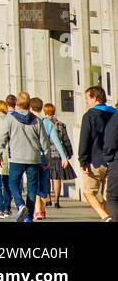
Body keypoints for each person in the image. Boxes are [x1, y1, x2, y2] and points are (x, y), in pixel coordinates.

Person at [5, 91, 50, 222]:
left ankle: (20, 205)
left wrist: (0, 154)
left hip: (16, 157)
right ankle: (28, 217)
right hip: (33, 158)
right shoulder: (37, 120)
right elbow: (44, 142)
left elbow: (2, 138)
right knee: (32, 188)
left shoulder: (10, 118)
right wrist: (46, 158)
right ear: (29, 103)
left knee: (13, 183)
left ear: (17, 103)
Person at [77, 85, 116, 220]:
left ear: (95, 98)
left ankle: (104, 216)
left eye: (88, 98)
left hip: (95, 159)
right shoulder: (114, 113)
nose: (87, 102)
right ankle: (109, 217)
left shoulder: (89, 115)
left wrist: (83, 161)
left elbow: (84, 139)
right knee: (108, 196)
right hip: (112, 160)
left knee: (88, 192)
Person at [41, 102, 74, 208]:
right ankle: (57, 201)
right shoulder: (60, 124)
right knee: (57, 178)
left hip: (47, 153)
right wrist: (69, 152)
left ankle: (48, 199)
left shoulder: (42, 123)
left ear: (44, 111)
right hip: (58, 154)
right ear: (54, 112)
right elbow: (66, 140)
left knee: (47, 177)